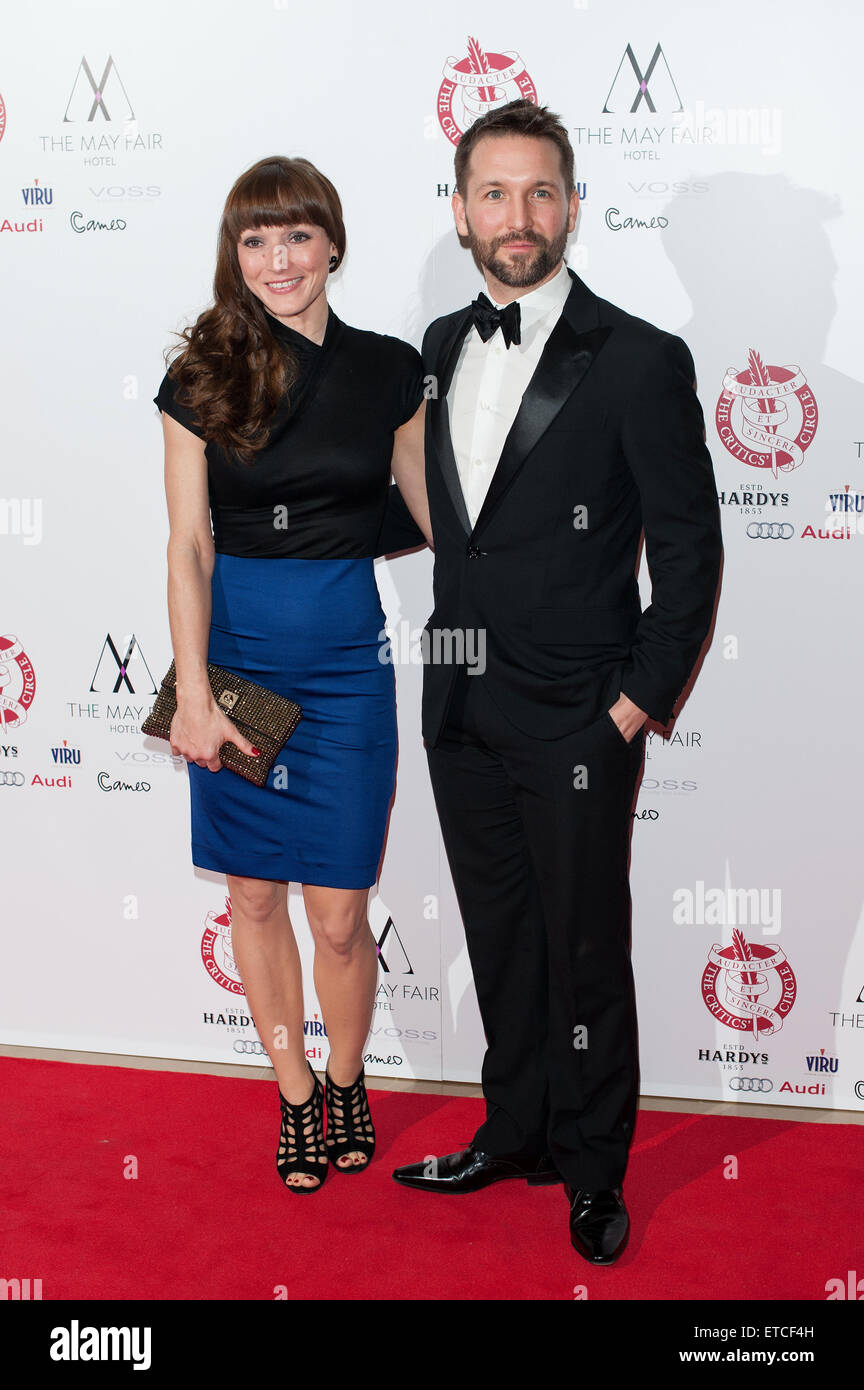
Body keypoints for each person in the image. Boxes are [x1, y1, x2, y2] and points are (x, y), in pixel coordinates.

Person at [383, 100, 723, 1263]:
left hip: (582, 712)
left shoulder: (638, 358)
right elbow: (449, 524)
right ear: (461, 208)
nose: (516, 216)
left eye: (539, 192)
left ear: (573, 204)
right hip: (462, 701)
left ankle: (592, 1167)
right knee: (501, 939)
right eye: (493, 193)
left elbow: (689, 553)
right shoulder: (436, 346)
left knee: (584, 947)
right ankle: (512, 1129)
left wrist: (634, 704)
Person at [152, 155, 431, 1194]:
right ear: (236, 255)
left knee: (340, 914)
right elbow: (188, 546)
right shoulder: (203, 374)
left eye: (297, 236)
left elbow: (437, 514)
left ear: (333, 245)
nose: (278, 259)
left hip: (349, 666)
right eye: (256, 240)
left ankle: (349, 1076)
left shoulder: (388, 371)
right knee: (257, 901)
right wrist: (191, 691)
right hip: (237, 666)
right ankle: (295, 1091)